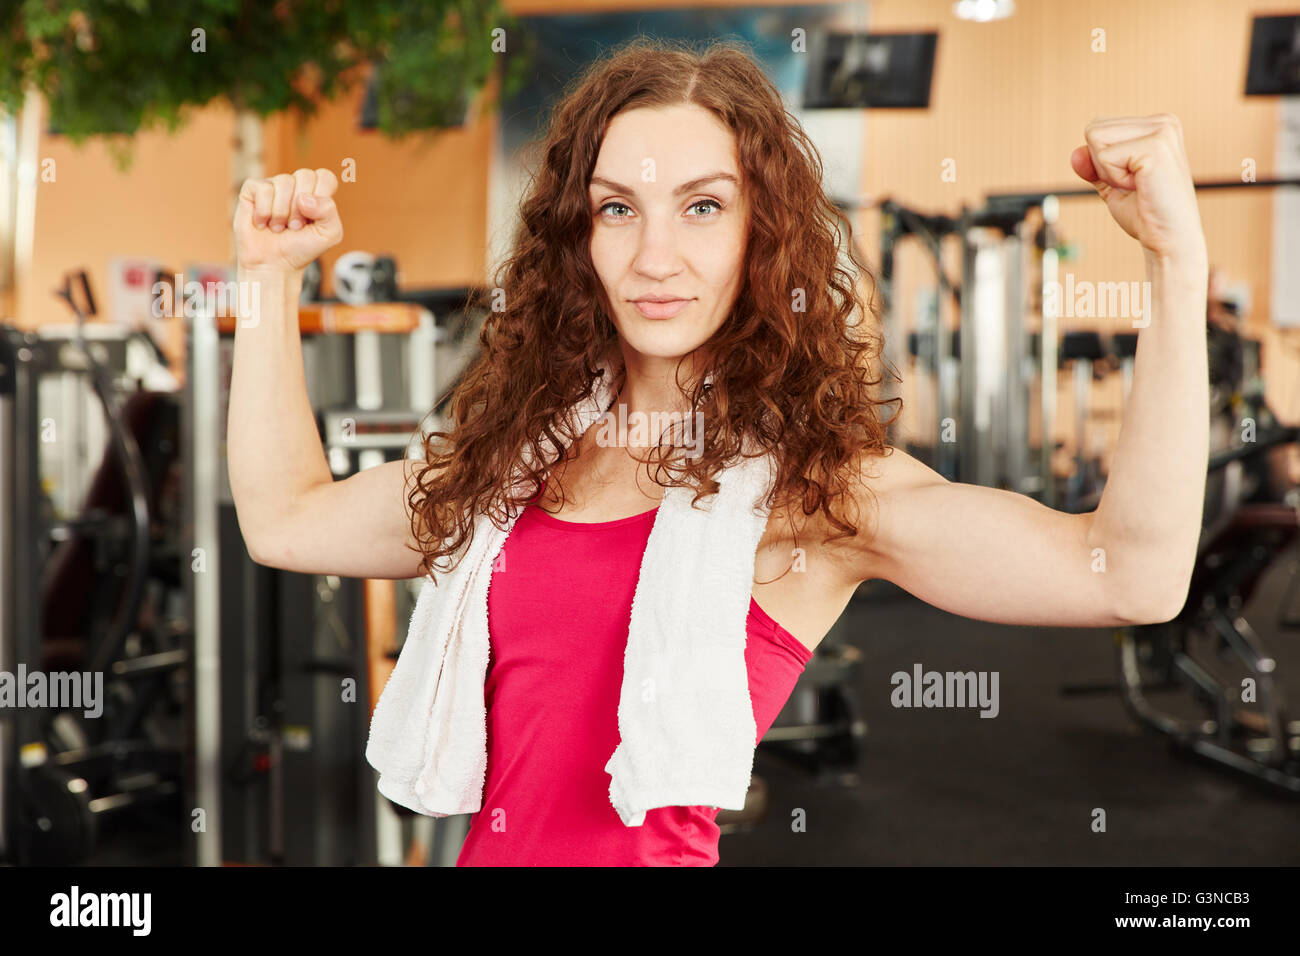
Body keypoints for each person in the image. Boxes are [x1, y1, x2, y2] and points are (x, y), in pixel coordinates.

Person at [227, 41, 1210, 866]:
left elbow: (1130, 575)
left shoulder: (811, 491)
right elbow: (286, 520)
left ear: (759, 234)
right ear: (579, 238)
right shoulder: (513, 466)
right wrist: (266, 283)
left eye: (702, 207)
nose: (654, 256)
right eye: (618, 209)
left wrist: (1174, 265)